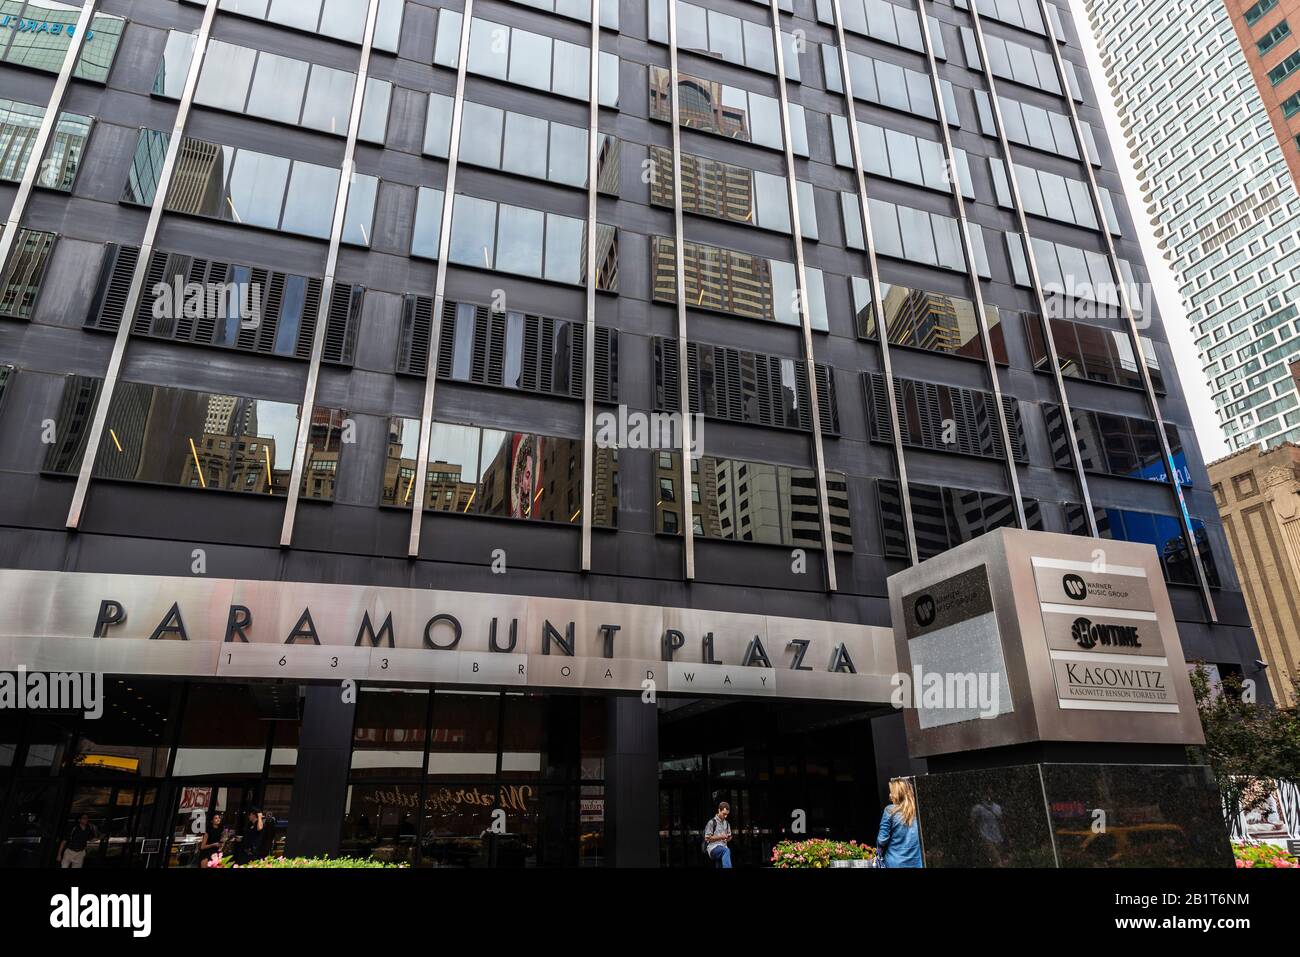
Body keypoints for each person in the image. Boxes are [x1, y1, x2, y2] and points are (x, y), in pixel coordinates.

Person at [876, 779, 923, 868]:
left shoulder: (890, 810)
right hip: (917, 863)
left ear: (898, 794)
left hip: (895, 863)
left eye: (892, 792)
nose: (890, 795)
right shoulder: (919, 811)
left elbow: (882, 840)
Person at [703, 801, 733, 868]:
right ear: (719, 810)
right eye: (724, 814)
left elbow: (729, 836)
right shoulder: (711, 822)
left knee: (720, 864)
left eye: (727, 814)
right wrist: (720, 837)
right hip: (713, 848)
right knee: (726, 851)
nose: (725, 816)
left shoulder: (727, 823)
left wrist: (729, 838)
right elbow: (707, 838)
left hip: (723, 847)